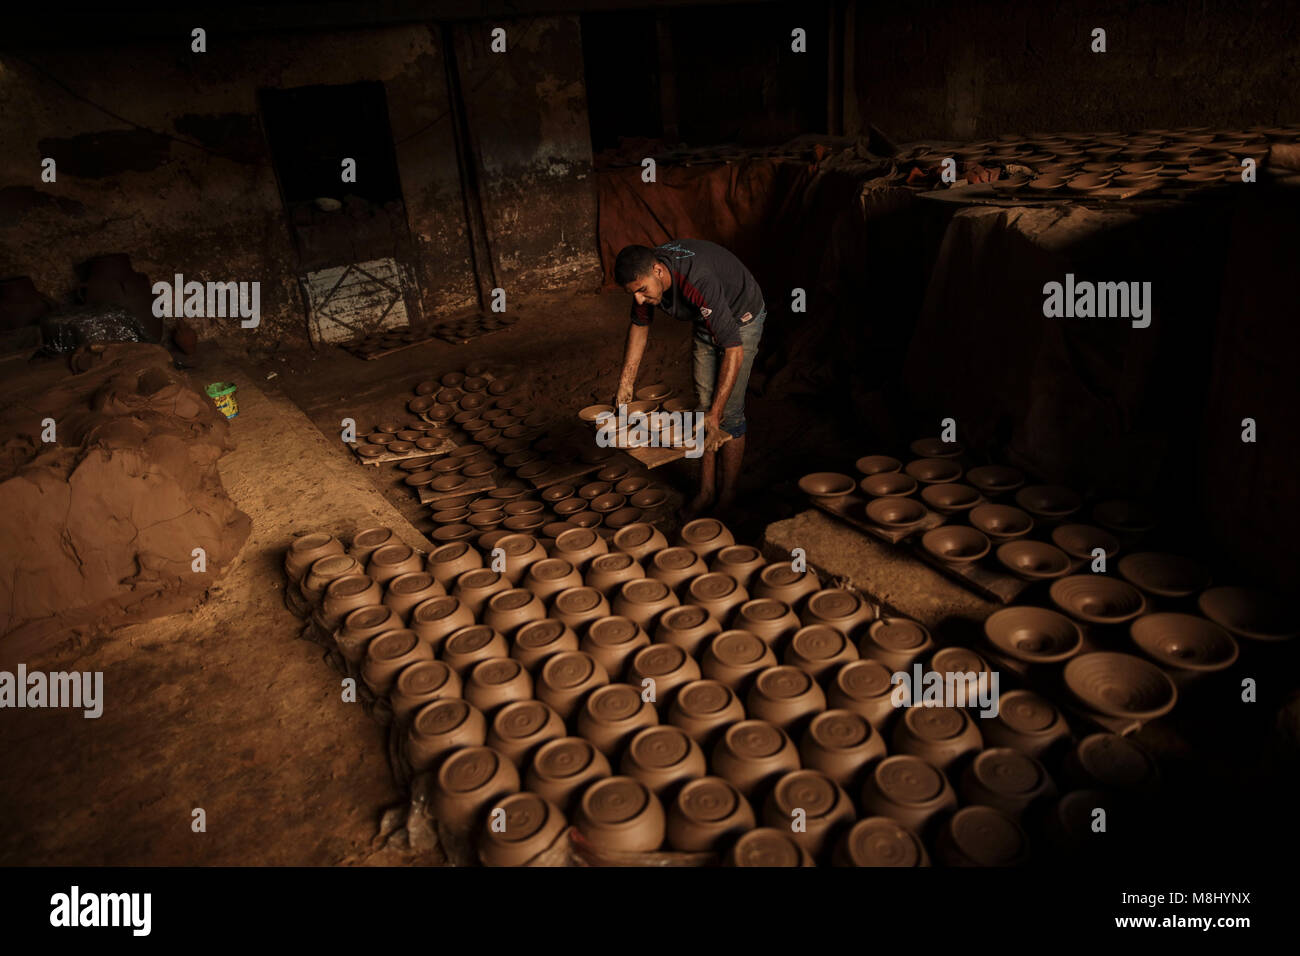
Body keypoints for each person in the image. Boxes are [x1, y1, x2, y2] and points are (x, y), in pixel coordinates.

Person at [612, 239, 766, 517]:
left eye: (642, 291)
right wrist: (626, 381)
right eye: (632, 293)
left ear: (658, 271)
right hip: (708, 318)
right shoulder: (645, 278)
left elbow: (733, 348)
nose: (638, 299)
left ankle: (728, 493)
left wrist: (716, 413)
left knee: (727, 413)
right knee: (701, 410)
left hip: (741, 316)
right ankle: (706, 492)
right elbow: (639, 325)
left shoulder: (697, 279)